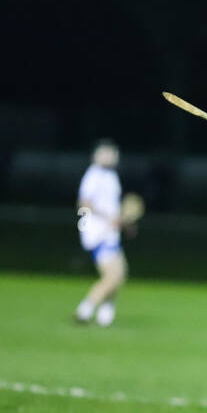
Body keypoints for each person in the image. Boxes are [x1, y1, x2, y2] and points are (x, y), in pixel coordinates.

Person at [74, 139, 129, 327]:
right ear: (95, 155)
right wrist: (108, 219)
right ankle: (85, 309)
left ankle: (106, 313)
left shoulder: (111, 176)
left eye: (112, 152)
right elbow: (84, 203)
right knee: (112, 276)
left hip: (111, 232)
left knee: (121, 273)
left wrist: (121, 220)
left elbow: (111, 206)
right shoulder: (94, 175)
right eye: (104, 152)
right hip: (98, 233)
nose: (109, 156)